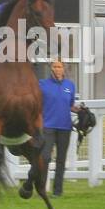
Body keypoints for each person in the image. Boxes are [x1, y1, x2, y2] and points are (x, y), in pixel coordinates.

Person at [38, 58, 81, 197]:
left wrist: (80, 111)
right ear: (51, 68)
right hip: (47, 126)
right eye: (55, 66)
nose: (57, 69)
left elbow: (70, 105)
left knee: (61, 160)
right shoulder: (42, 84)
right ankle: (42, 189)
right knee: (44, 158)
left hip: (65, 127)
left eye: (59, 66)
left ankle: (58, 191)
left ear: (64, 69)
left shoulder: (70, 85)